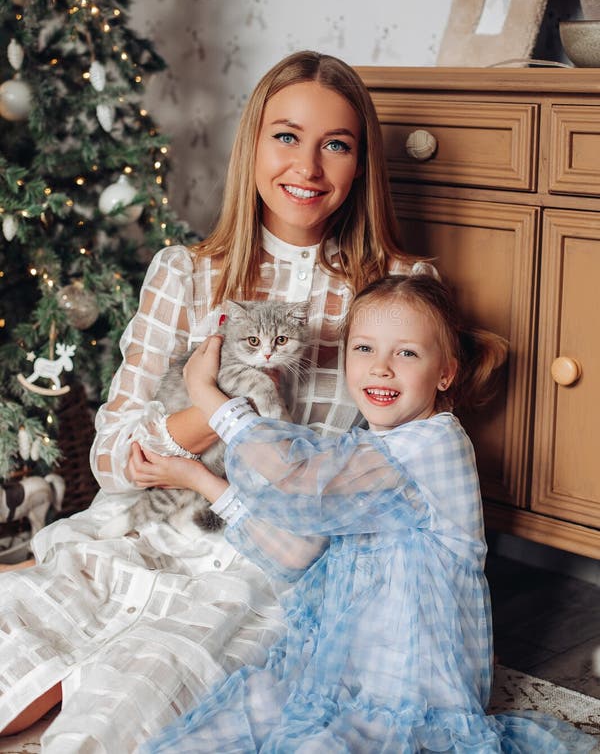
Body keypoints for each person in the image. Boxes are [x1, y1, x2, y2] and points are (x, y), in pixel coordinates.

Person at [0, 51, 422, 753]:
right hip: (141, 531)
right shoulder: (184, 272)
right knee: (19, 649)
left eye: (336, 145)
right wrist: (210, 407)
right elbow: (111, 458)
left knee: (125, 714)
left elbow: (399, 478)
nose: (308, 168)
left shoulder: (398, 288)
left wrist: (218, 433)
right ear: (253, 145)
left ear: (361, 164)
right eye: (286, 136)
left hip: (264, 565)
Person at [144, 274, 595, 753]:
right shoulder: (361, 448)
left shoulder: (433, 445)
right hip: (340, 670)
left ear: (445, 373)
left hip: (410, 686)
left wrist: (208, 393)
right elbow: (299, 552)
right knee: (229, 726)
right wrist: (197, 478)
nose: (380, 368)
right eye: (363, 349)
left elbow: (291, 477)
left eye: (406, 353)